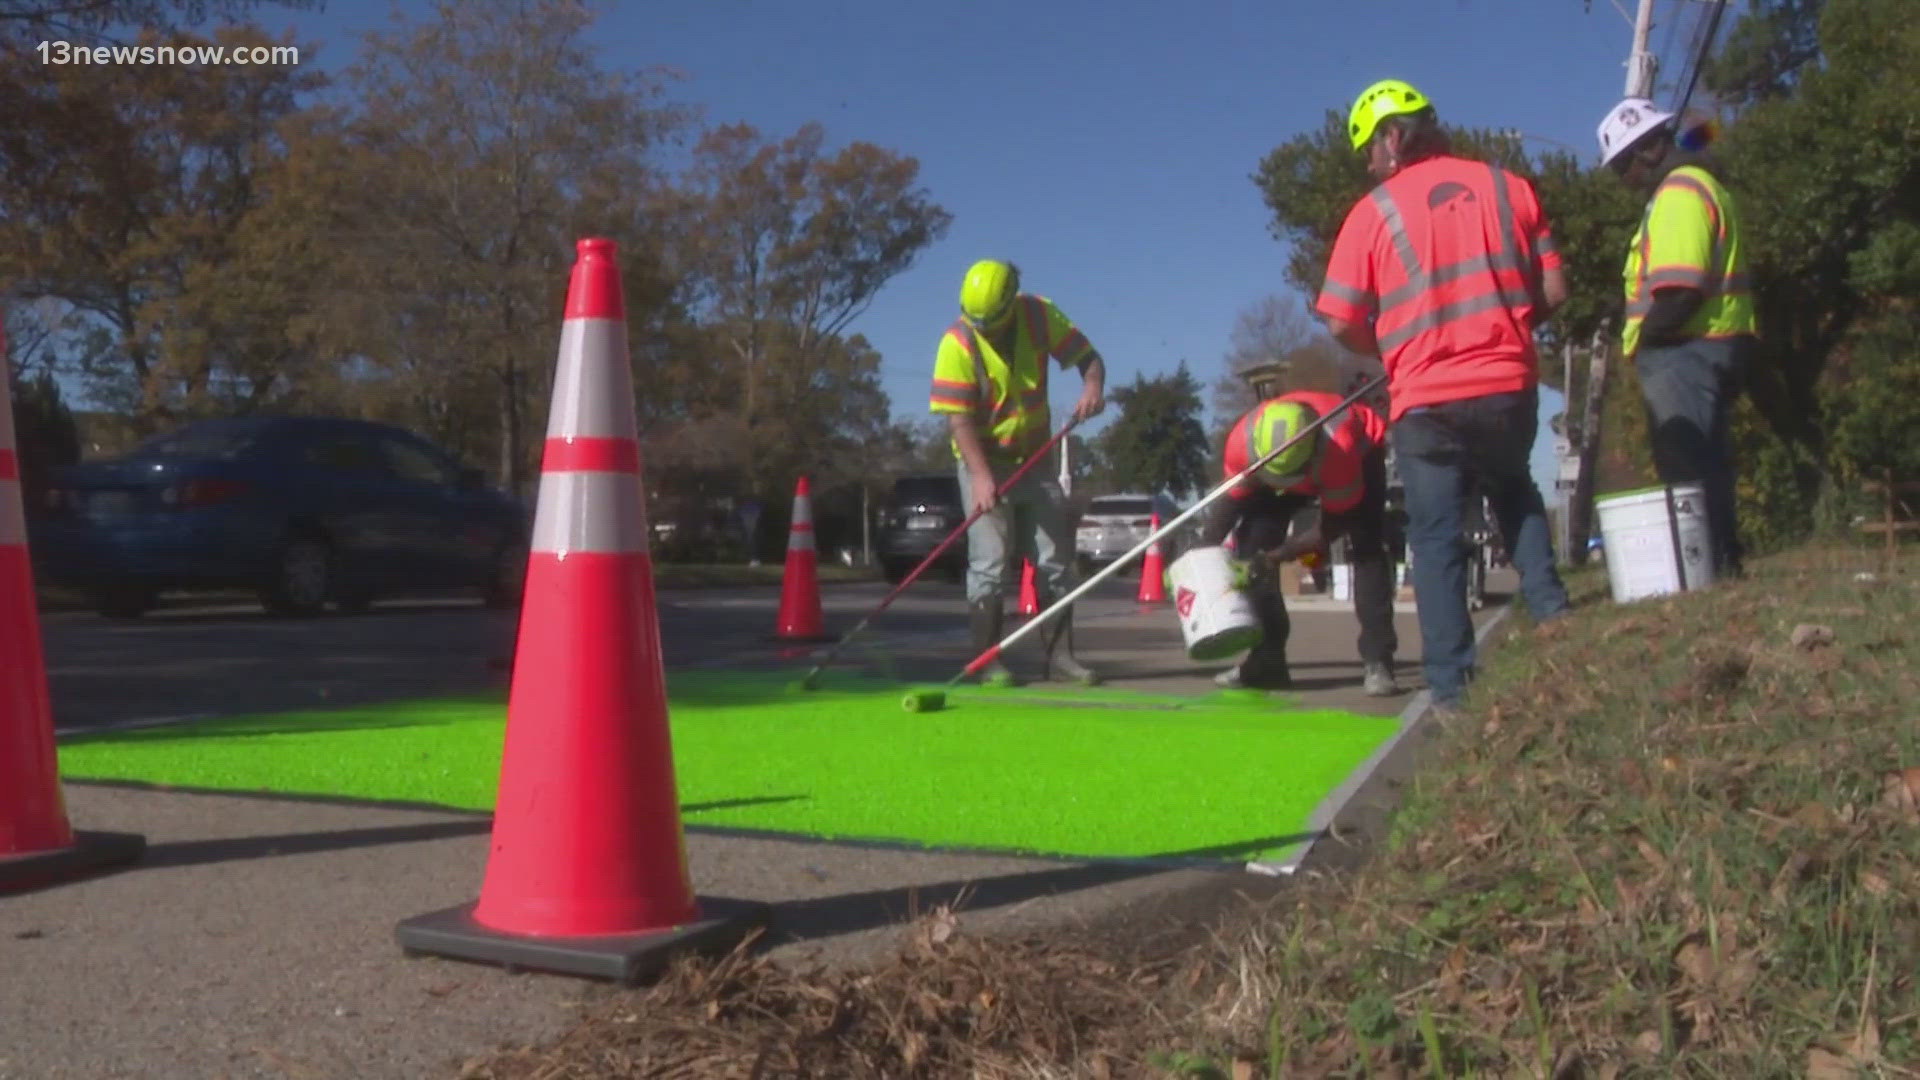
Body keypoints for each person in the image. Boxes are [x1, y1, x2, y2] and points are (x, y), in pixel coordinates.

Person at [1314, 79, 1571, 711]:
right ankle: (1555, 621)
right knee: (1514, 491)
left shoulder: (1373, 212)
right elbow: (1555, 290)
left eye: (1369, 151)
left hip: (1426, 399)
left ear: (1392, 137)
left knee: (1434, 537)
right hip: (1508, 382)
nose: (1369, 166)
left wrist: (1391, 351)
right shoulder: (1510, 188)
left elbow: (1341, 320)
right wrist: (1510, 327)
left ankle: (1453, 689)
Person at [1597, 97, 1757, 579]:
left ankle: (1707, 568)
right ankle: (1721, 564)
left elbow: (1681, 289)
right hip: (1711, 341)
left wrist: (1646, 339)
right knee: (1707, 463)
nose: (1623, 180)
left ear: (1646, 152)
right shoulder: (1696, 186)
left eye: (1622, 166)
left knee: (1686, 468)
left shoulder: (1679, 193)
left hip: (1685, 347)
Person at [928, 259, 1107, 685]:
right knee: (989, 561)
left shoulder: (1039, 315)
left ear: (1011, 306)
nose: (983, 330)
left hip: (1035, 458)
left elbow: (1088, 357)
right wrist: (980, 476)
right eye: (976, 322)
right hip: (984, 460)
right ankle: (986, 660)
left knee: (1054, 561)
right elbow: (958, 420)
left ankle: (1060, 657)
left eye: (991, 323)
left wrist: (1092, 387)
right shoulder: (956, 344)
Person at [1198, 388, 1401, 696]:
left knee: (1366, 548)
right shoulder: (1241, 443)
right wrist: (1197, 559)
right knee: (1252, 546)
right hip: (1283, 462)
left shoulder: (1340, 451)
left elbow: (1331, 527)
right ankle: (1268, 661)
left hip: (1362, 454)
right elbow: (1229, 505)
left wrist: (1278, 556)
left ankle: (1378, 660)